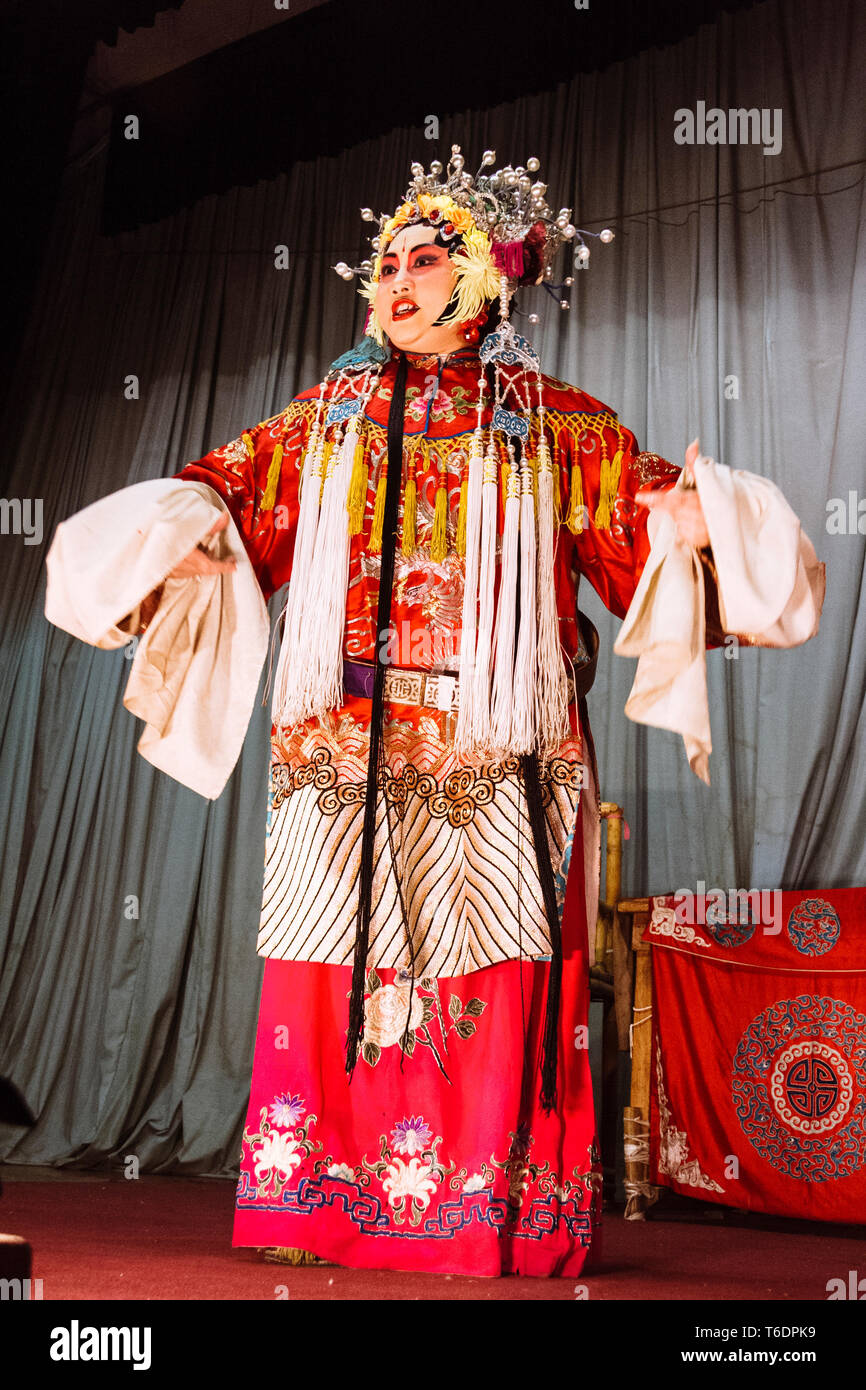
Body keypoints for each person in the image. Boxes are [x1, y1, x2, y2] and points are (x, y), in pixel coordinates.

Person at [44, 147, 823, 1279]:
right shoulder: (330, 415)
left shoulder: (550, 422)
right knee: (331, 965)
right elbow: (229, 494)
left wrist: (693, 523)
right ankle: (318, 1203)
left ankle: (483, 1216)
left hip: (495, 745)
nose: (394, 283)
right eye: (384, 265)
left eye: (424, 260)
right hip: (343, 740)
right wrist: (186, 524)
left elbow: (638, 522)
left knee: (491, 974)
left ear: (487, 280)